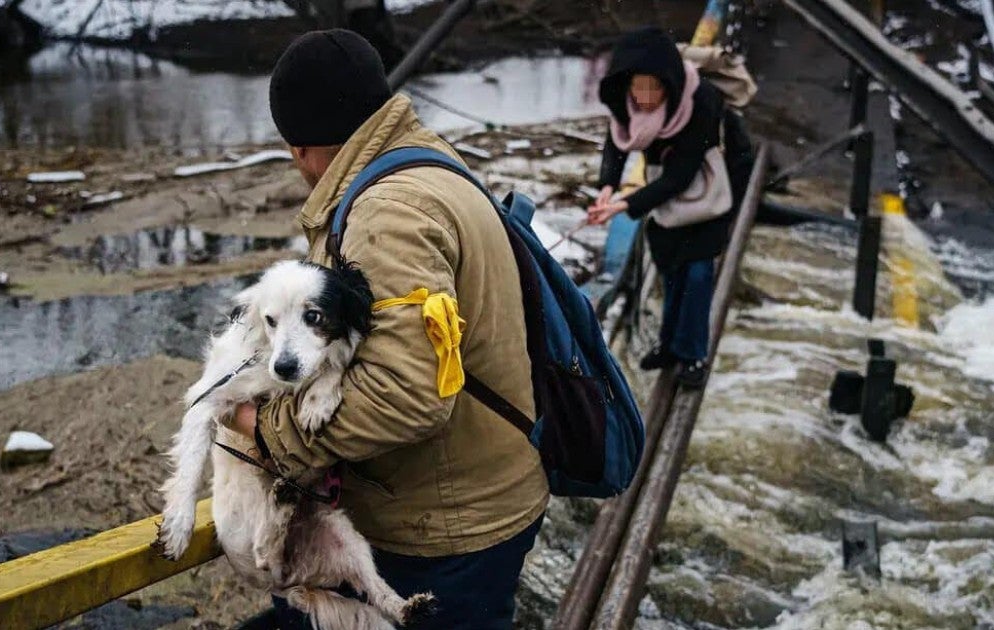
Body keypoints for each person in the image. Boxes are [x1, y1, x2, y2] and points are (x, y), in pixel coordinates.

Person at [226, 30, 548, 629]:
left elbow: (407, 398)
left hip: (446, 529)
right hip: (486, 492)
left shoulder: (385, 214)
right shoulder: (429, 162)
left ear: (299, 147)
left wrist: (263, 427)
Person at [588, 27, 740, 389]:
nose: (645, 98)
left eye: (655, 88)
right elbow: (616, 145)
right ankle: (670, 345)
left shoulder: (700, 101)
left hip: (707, 184)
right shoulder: (626, 104)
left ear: (669, 84)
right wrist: (607, 187)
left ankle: (694, 356)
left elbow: (680, 177)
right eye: (638, 87)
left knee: (699, 273)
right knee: (672, 269)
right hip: (665, 191)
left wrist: (624, 205)